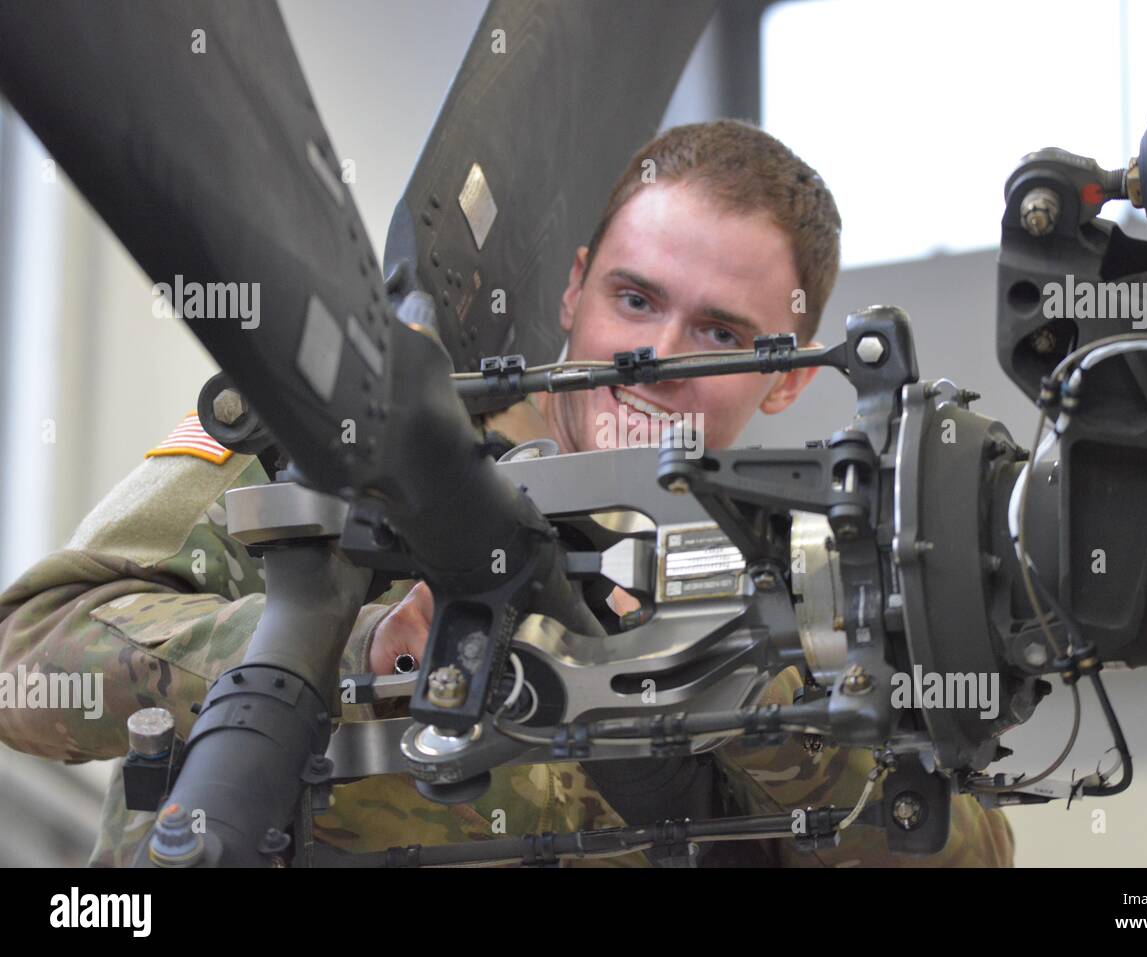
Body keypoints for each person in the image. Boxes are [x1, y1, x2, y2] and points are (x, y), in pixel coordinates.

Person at [0, 120, 1014, 867]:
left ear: (790, 375)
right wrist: (353, 654)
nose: (654, 358)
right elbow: (27, 662)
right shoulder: (365, 437)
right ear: (572, 290)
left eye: (721, 334)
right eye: (633, 299)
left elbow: (967, 853)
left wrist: (765, 706)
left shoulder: (826, 580)